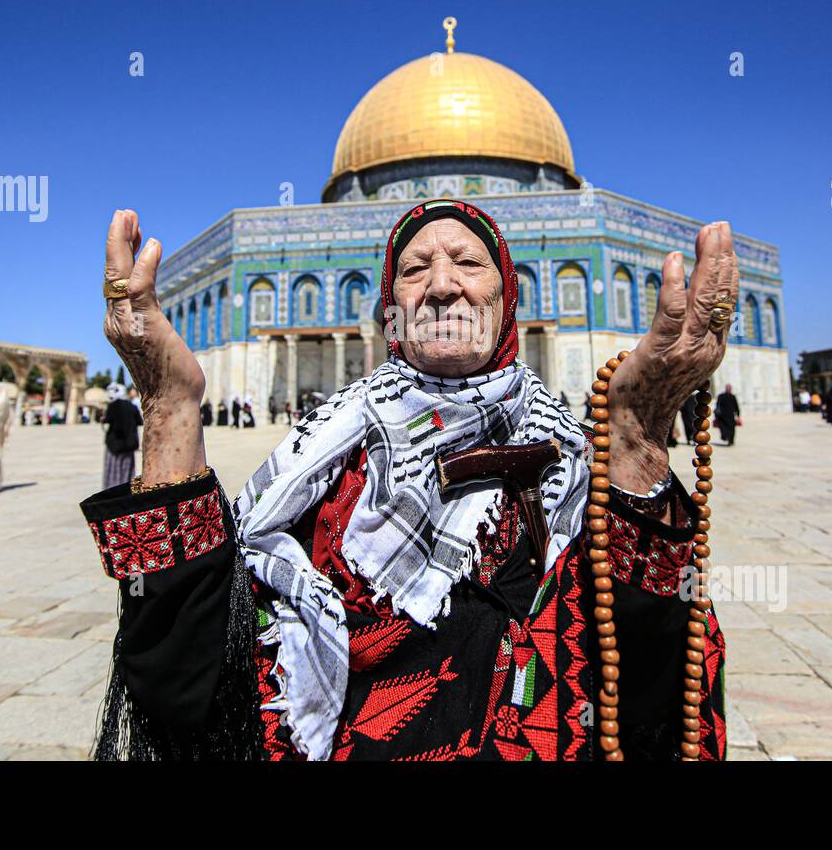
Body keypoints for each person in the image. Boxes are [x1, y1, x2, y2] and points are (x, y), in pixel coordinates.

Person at [83, 201, 736, 762]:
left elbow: (651, 678)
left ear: (508, 295)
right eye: (415, 269)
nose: (443, 285)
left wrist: (639, 438)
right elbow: (184, 679)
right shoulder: (323, 461)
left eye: (469, 263)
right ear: (388, 308)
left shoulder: (569, 469)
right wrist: (168, 405)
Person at [102, 382, 143, 489]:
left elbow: (107, 420)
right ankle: (125, 489)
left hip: (114, 445)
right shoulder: (133, 406)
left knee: (112, 469)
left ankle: (111, 490)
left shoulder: (113, 406)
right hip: (129, 445)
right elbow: (140, 421)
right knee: (127, 470)